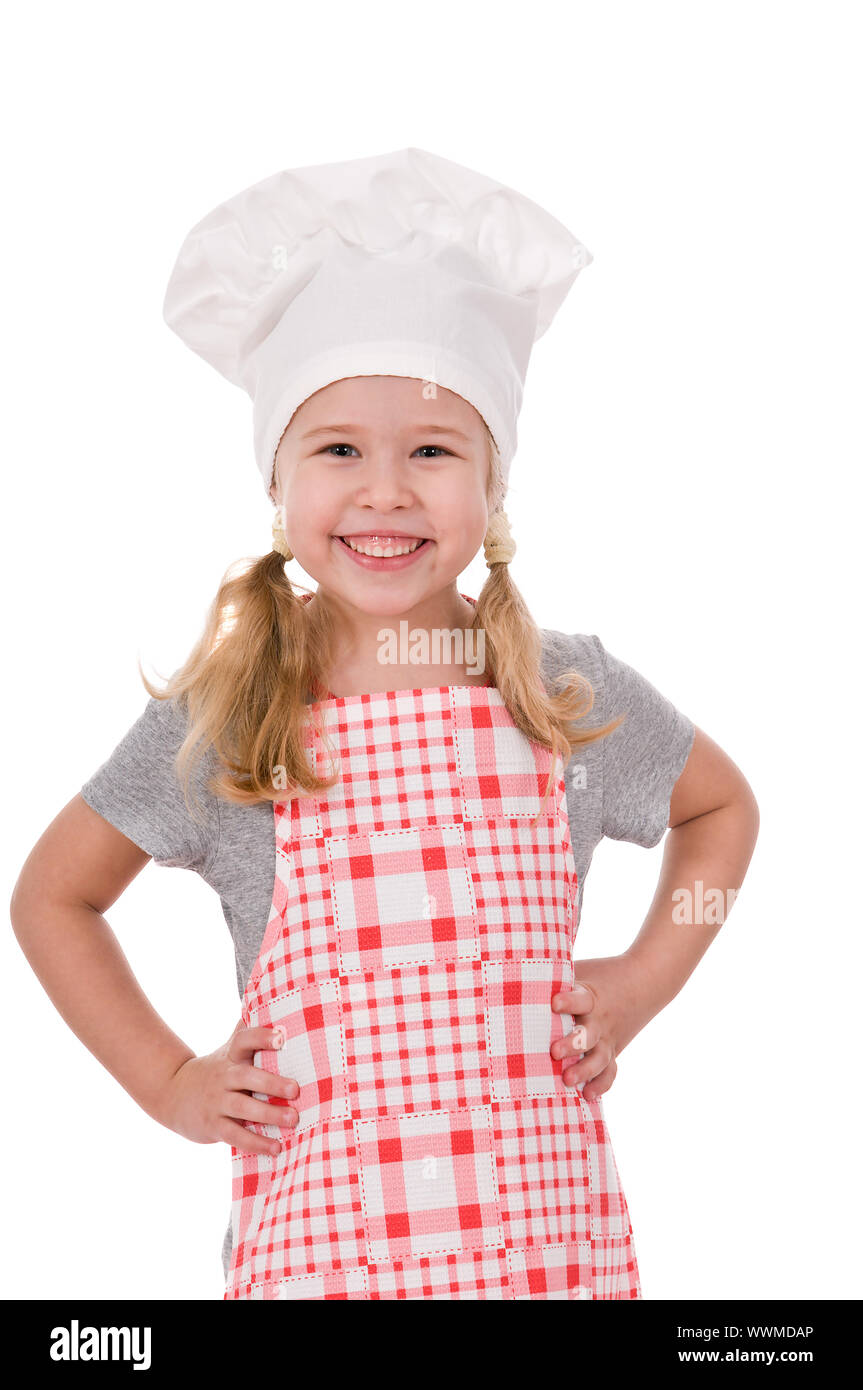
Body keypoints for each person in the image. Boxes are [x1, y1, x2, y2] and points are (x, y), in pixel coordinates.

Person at [10, 148, 759, 1300]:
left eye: (431, 451)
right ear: (277, 481)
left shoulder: (566, 695)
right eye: (338, 449)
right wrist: (171, 1082)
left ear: (492, 485)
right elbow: (53, 898)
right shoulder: (231, 716)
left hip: (548, 1259)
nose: (384, 492)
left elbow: (721, 811)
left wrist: (641, 981)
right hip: (320, 1265)